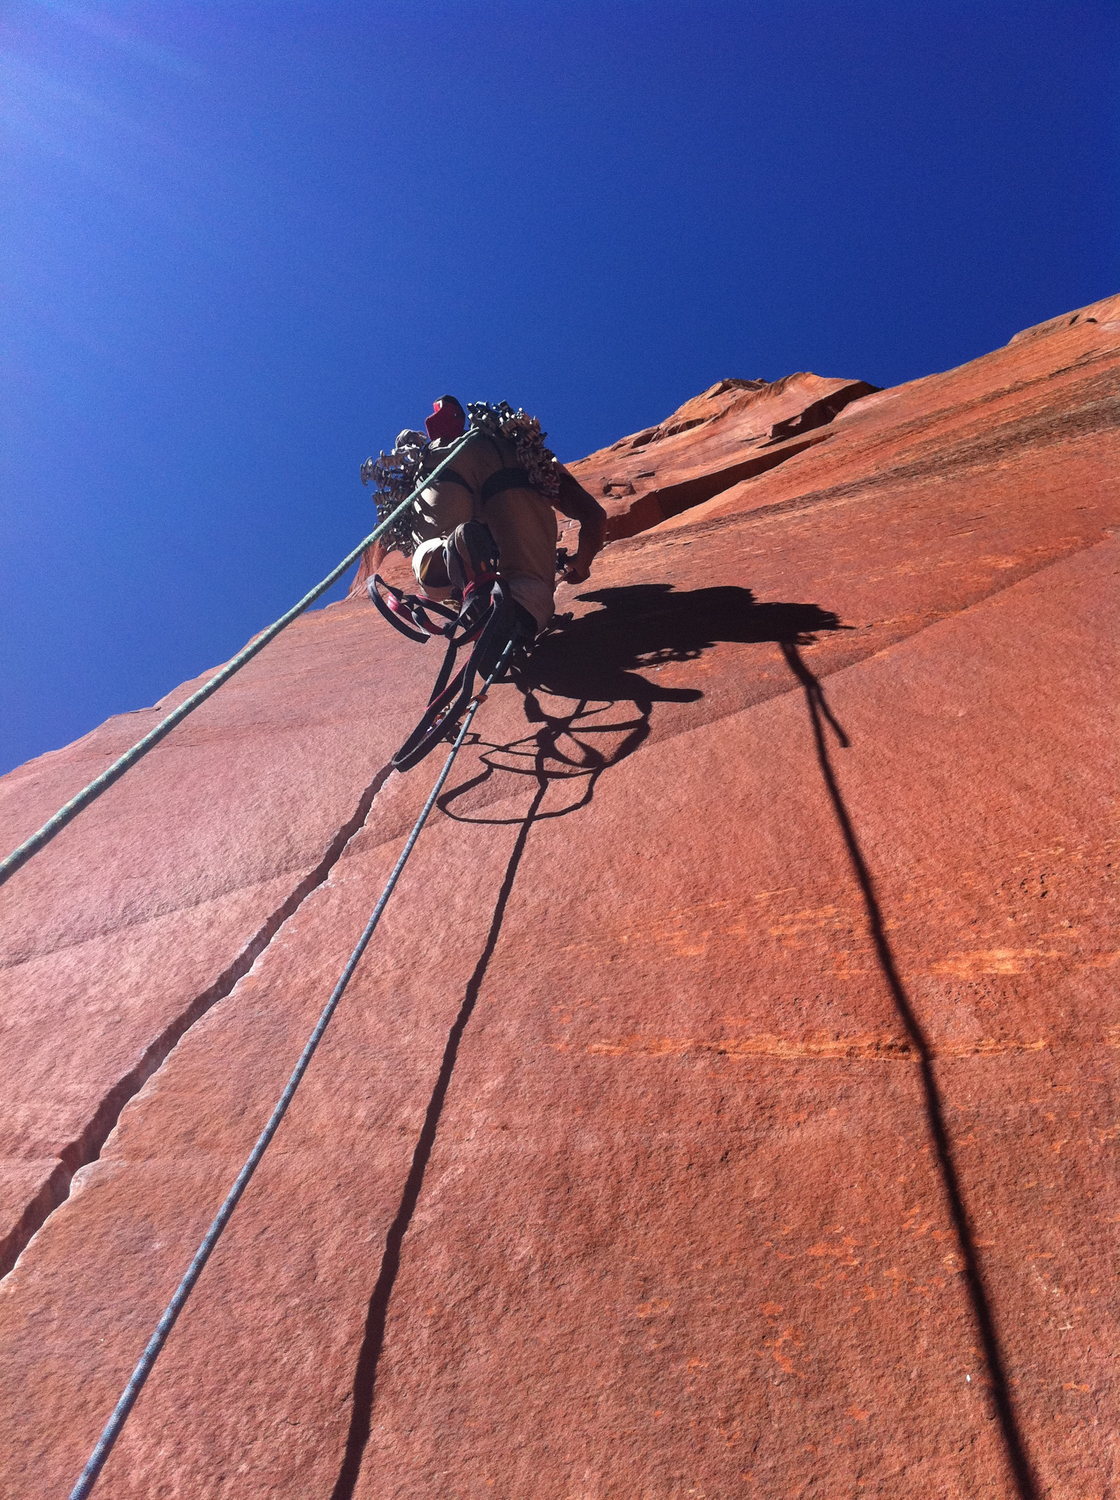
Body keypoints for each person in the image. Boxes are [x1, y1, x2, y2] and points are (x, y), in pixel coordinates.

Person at [393, 396, 607, 636]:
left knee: (436, 546)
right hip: (509, 460)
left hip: (433, 465)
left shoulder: (438, 449)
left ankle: (448, 553)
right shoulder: (528, 451)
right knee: (528, 577)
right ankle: (515, 615)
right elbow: (594, 515)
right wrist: (582, 562)